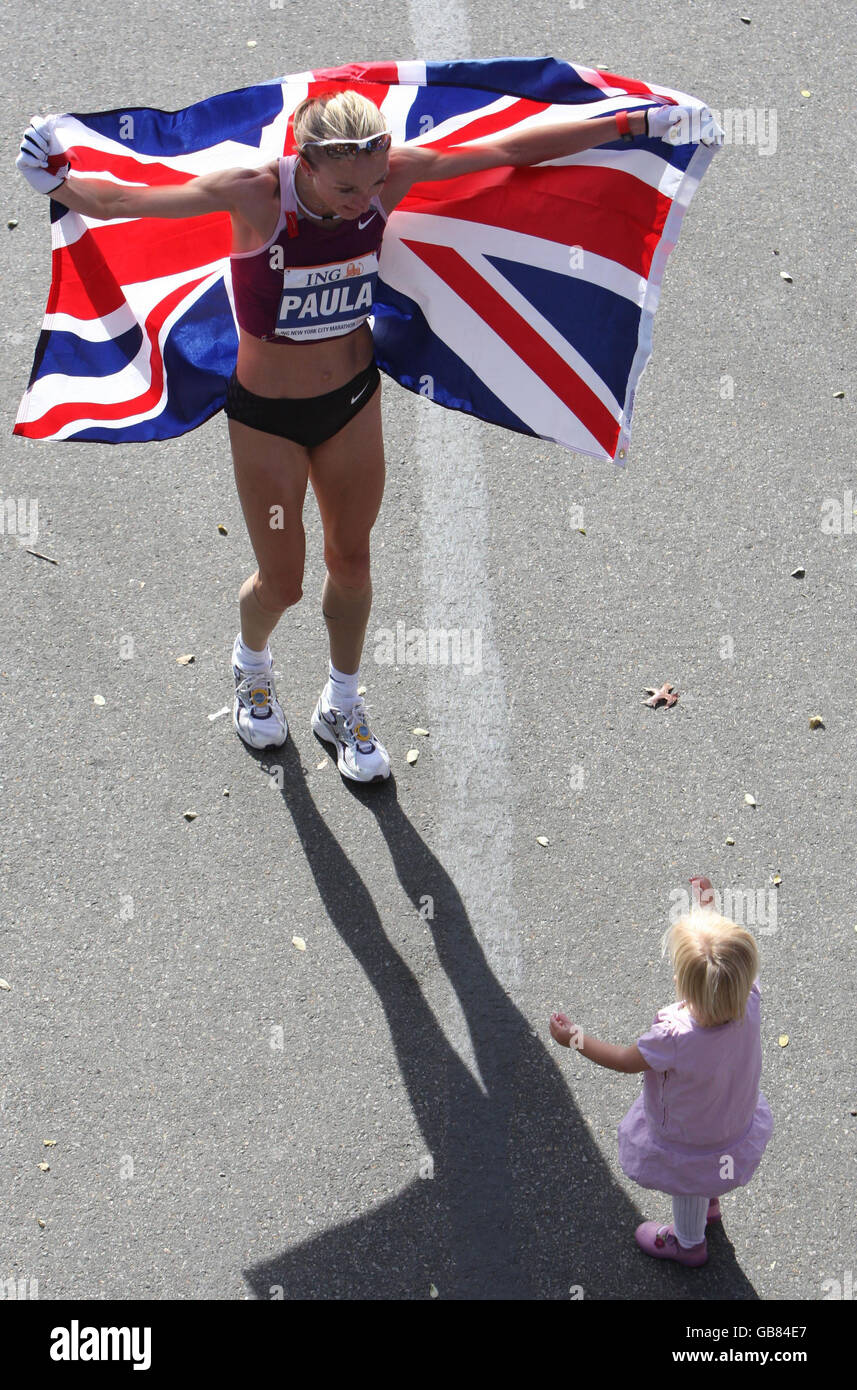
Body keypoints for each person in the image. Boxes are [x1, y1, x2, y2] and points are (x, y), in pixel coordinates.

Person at [17, 93, 692, 782]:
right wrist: (57, 181)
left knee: (353, 562)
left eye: (373, 184)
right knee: (282, 583)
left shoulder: (384, 176)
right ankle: (251, 664)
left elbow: (509, 147)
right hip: (266, 417)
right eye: (345, 188)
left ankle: (340, 701)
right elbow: (125, 201)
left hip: (350, 401)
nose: (363, 201)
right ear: (304, 164)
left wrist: (628, 123)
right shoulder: (252, 195)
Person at [549, 889, 773, 1267]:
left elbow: (623, 1060)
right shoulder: (748, 999)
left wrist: (575, 1038)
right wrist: (707, 907)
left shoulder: (674, 1039)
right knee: (712, 1169)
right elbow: (723, 961)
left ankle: (688, 1244)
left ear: (683, 986)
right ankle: (710, 1201)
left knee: (688, 1182)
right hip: (732, 1118)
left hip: (691, 1136)